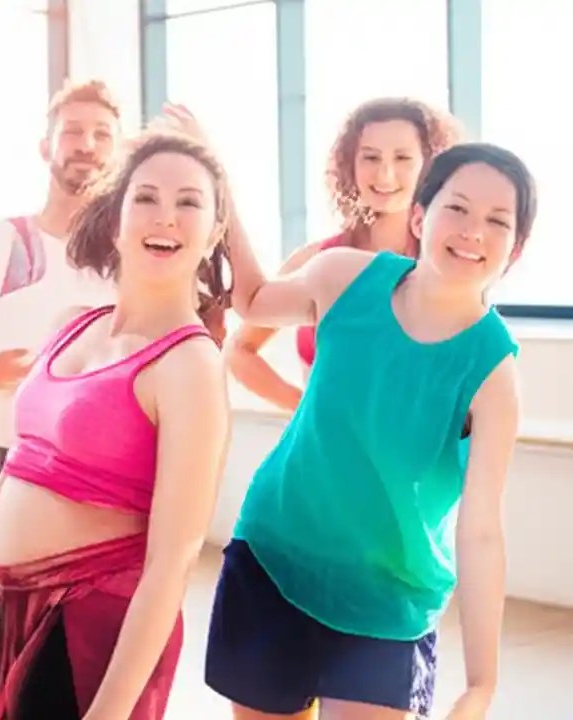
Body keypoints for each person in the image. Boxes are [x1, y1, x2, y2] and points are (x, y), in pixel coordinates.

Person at [205, 128, 533, 719]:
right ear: (419, 216)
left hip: (390, 598)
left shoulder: (493, 372)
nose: (473, 231)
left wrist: (481, 683)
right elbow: (252, 302)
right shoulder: (343, 276)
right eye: (457, 208)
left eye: (497, 221)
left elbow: (482, 529)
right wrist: (218, 182)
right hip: (275, 555)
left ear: (515, 248)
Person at [0, 126, 232, 719]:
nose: (166, 216)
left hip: (94, 629)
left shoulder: (190, 365)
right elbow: (17, 469)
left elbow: (171, 563)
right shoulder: (72, 324)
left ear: (214, 232)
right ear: (115, 219)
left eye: (189, 202)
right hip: (21, 615)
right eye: (146, 197)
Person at [0, 78, 121, 624]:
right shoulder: (10, 239)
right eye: (73, 132)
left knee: (55, 648)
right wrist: (78, 366)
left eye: (102, 135)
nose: (86, 145)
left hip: (94, 479)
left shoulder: (130, 259)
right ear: (46, 147)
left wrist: (40, 365)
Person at [226, 97, 460, 411]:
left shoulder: (448, 267)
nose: (385, 174)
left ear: (428, 166)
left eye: (402, 158)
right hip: (321, 442)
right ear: (350, 164)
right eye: (370, 157)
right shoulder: (317, 261)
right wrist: (306, 409)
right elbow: (239, 350)